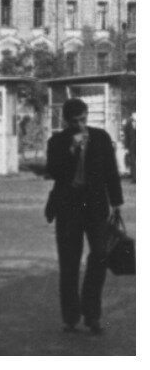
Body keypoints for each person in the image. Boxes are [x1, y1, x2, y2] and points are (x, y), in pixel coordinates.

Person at [45, 97, 123, 336]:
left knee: (99, 255)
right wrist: (71, 150)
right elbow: (53, 172)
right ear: (67, 121)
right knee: (69, 262)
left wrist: (117, 202)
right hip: (68, 207)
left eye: (84, 119)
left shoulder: (100, 138)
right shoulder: (57, 141)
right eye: (76, 121)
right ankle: (70, 316)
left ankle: (92, 314)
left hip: (95, 206)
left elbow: (111, 170)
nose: (81, 125)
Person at [122, 113, 135, 182]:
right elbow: (126, 136)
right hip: (132, 146)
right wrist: (126, 147)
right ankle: (134, 178)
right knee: (133, 161)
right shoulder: (128, 123)